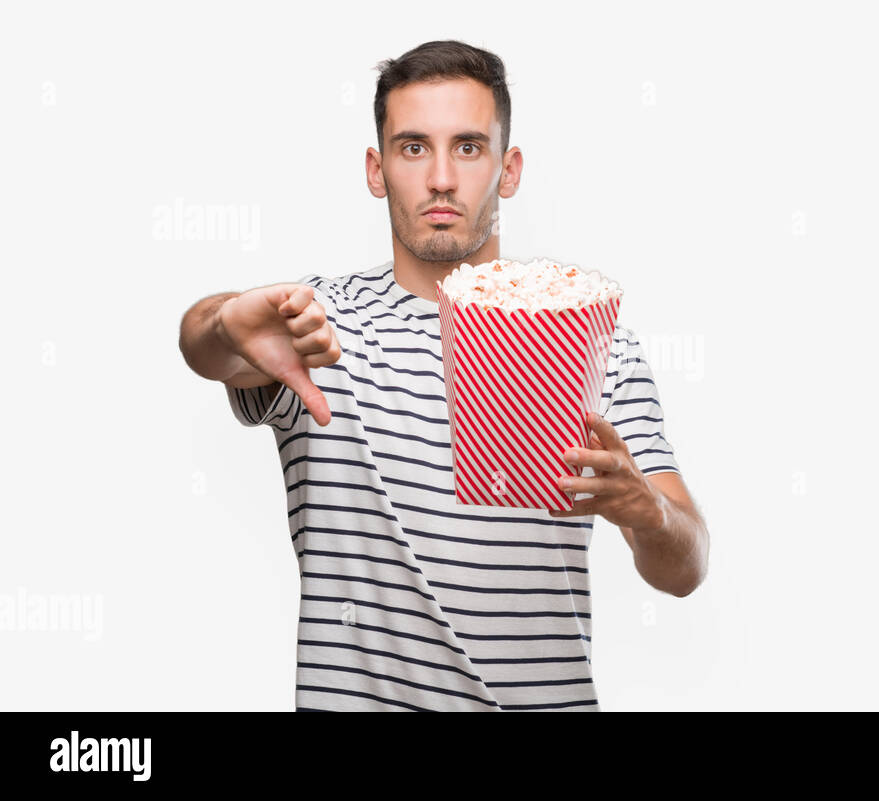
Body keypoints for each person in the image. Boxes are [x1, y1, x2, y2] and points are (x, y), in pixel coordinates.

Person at [177, 40, 709, 711]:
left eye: (467, 147)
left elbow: (686, 566)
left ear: (508, 169)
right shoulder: (311, 325)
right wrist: (224, 325)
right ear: (376, 170)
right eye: (412, 148)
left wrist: (646, 509)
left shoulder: (596, 340)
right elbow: (204, 343)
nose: (440, 179)